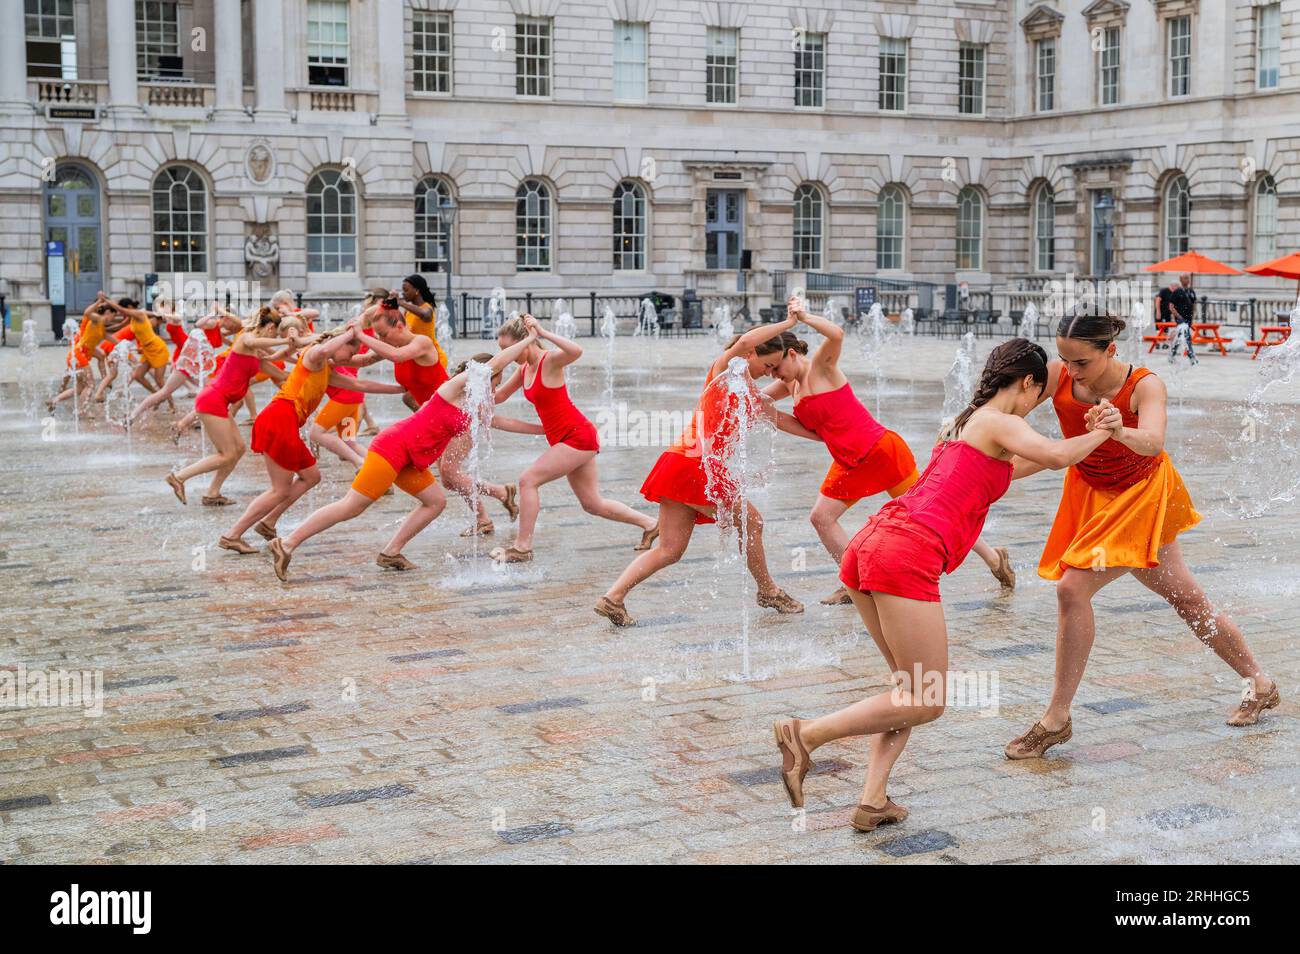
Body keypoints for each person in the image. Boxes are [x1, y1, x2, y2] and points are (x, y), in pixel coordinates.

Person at [772, 339, 1115, 830]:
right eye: (1035, 398)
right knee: (926, 699)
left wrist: (1079, 442)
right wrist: (1104, 432)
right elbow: (1058, 457)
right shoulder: (1001, 420)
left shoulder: (967, 423)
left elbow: (1017, 468)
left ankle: (872, 800)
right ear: (1027, 383)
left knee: (904, 690)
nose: (1031, 409)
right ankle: (805, 734)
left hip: (872, 544)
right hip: (905, 554)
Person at [1005, 309, 1277, 758]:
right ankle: (1260, 683)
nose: (1071, 372)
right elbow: (1023, 424)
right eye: (1064, 361)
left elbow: (1153, 441)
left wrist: (1117, 430)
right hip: (1092, 491)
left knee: (1073, 589)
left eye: (1081, 363)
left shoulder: (1145, 385)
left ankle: (1056, 719)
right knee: (1187, 599)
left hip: (1144, 495)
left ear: (1110, 350)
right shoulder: (1058, 375)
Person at [765, 298, 1014, 604]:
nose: (772, 374)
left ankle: (993, 558)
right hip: (849, 461)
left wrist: (803, 317)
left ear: (792, 354)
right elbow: (769, 408)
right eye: (768, 368)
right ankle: (853, 583)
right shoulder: (788, 384)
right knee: (821, 518)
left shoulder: (821, 368)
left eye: (775, 366)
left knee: (934, 514)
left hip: (880, 452)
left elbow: (837, 335)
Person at [266, 336, 545, 581]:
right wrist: (528, 339)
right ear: (484, 376)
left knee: (435, 501)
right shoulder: (452, 388)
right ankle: (287, 544)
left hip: (411, 460)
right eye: (495, 382)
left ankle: (391, 552)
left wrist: (544, 430)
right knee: (351, 506)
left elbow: (502, 422)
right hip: (393, 448)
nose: (495, 389)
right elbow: (495, 364)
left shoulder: (474, 406)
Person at [595, 315, 809, 627]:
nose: (768, 374)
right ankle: (768, 591)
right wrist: (788, 322)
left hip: (679, 463)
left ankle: (612, 598)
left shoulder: (746, 389)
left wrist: (826, 436)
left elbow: (778, 415)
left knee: (670, 550)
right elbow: (747, 342)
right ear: (749, 355)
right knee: (752, 522)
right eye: (767, 366)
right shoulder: (723, 371)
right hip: (698, 466)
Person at [217, 326, 405, 554]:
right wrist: (350, 333)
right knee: (279, 490)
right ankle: (232, 535)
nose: (350, 359)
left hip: (284, 421)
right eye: (350, 352)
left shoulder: (325, 369)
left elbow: (360, 385)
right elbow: (325, 348)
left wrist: (401, 389)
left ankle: (268, 522)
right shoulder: (315, 355)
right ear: (342, 343)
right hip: (279, 418)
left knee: (311, 476)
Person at [489, 313, 657, 563]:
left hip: (577, 436)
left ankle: (522, 547)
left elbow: (576, 350)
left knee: (527, 481)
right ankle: (651, 524)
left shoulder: (550, 361)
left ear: (526, 341)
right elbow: (499, 397)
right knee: (592, 504)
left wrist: (542, 332)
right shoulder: (524, 369)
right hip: (567, 439)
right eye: (503, 350)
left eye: (509, 348)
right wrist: (463, 395)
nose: (507, 355)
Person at [164, 308, 298, 507]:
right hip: (212, 400)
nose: (274, 337)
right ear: (270, 327)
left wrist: (305, 364)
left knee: (239, 449)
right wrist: (286, 341)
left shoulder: (256, 353)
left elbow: (280, 370)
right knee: (226, 453)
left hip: (218, 402)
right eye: (275, 333)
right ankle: (179, 477)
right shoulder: (246, 338)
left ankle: (212, 493)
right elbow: (257, 342)